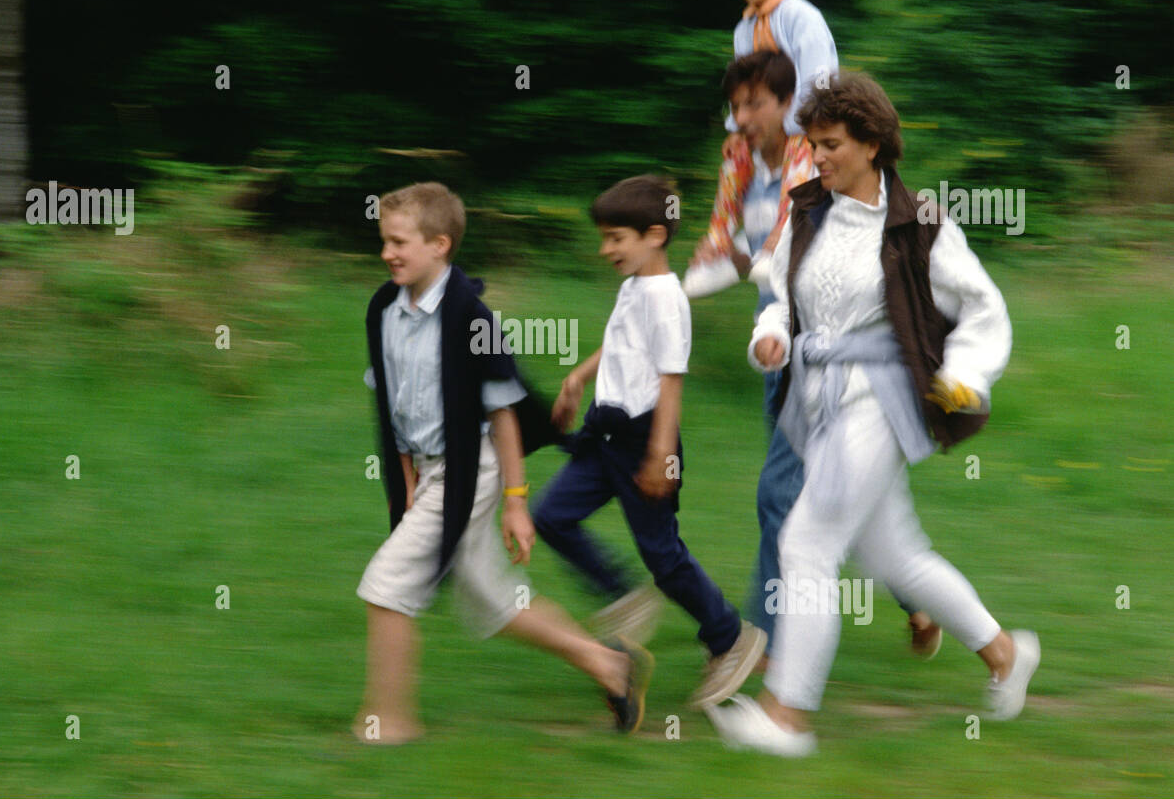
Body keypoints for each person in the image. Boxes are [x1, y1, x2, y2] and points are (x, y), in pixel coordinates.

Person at [706, 74, 1040, 757]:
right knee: (897, 555)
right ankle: (1006, 651)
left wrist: (963, 379)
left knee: (807, 543)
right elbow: (779, 293)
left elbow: (985, 307)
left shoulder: (919, 225)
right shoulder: (807, 211)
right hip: (817, 397)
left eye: (830, 145)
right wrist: (768, 336)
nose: (817, 158)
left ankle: (788, 718)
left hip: (880, 398)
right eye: (813, 144)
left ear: (873, 145)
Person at [357, 182, 653, 744]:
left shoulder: (471, 318)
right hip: (429, 471)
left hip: (472, 471)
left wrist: (517, 503)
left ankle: (388, 724)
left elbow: (505, 413)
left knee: (385, 587)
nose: (387, 253)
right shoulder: (383, 311)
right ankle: (609, 666)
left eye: (399, 242)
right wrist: (406, 482)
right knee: (492, 600)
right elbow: (390, 405)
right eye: (384, 242)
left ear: (439, 244)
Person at [710, 50, 942, 663]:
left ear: (784, 106)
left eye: (755, 103)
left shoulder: (811, 164)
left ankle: (762, 638)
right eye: (735, 106)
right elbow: (728, 236)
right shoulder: (739, 164)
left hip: (829, 345)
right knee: (844, 499)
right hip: (780, 335)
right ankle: (920, 602)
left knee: (780, 490)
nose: (743, 116)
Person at [532, 175, 765, 710]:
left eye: (616, 237)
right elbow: (619, 342)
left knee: (664, 556)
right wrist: (578, 376)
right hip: (605, 435)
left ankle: (729, 638)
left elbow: (670, 379)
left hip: (644, 443)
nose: (606, 249)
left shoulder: (666, 299)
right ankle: (623, 596)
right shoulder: (636, 286)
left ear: (654, 235)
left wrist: (662, 454)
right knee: (551, 517)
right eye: (605, 238)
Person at [684, 0, 835, 303]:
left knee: (800, 157)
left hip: (808, 121)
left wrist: (793, 125)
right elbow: (742, 85)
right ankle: (721, 244)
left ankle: (779, 239)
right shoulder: (744, 28)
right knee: (734, 157)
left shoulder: (801, 17)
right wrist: (738, 127)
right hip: (767, 125)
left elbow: (819, 78)